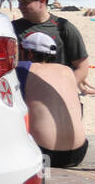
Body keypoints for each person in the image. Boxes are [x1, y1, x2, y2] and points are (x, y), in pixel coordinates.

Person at [16, 32, 88, 168]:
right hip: (78, 152)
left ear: (29, 53)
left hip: (44, 153)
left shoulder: (24, 68)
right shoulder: (67, 71)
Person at [11, 0, 92, 95]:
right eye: (19, 2)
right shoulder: (12, 28)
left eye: (25, 2)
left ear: (42, 2)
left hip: (58, 95)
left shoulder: (63, 27)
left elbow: (82, 67)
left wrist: (63, 88)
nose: (20, 6)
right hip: (23, 95)